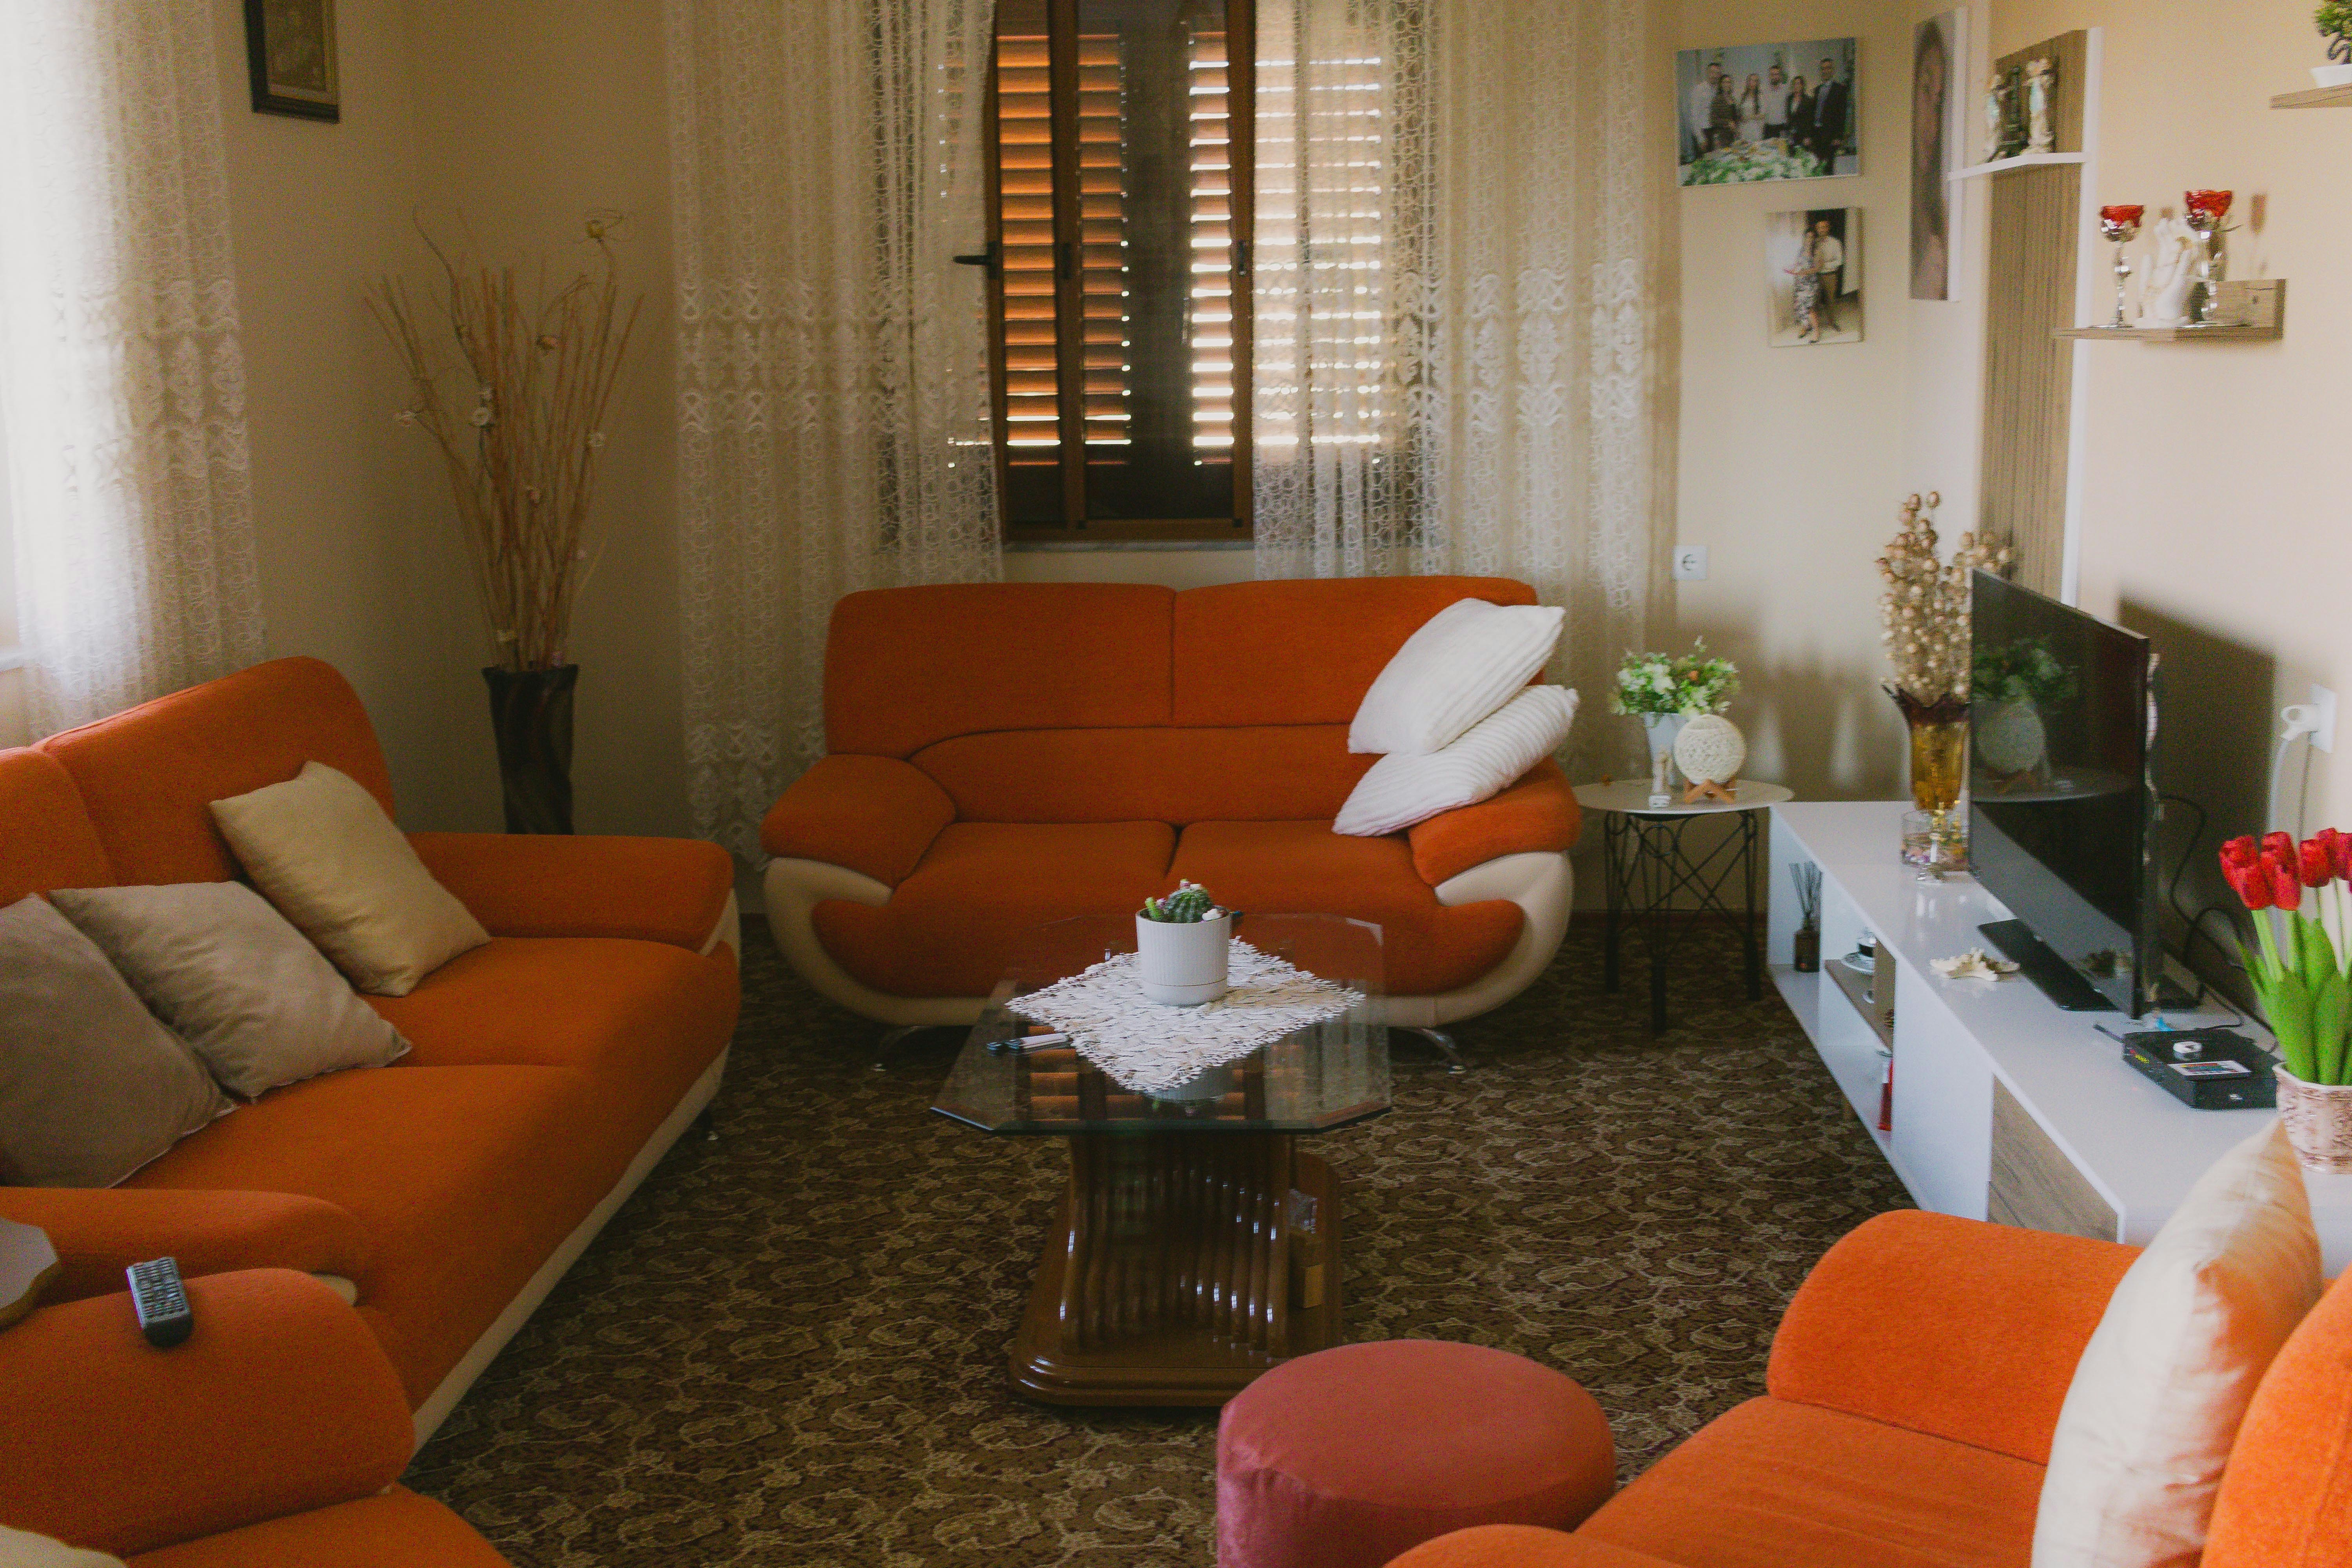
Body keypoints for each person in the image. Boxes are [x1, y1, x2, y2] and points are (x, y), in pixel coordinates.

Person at [1813, 55, 1851, 175]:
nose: (1825, 71)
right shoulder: (1817, 90)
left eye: (1828, 68)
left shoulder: (1840, 89)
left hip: (1831, 134)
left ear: (1832, 70)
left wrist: (1838, 137)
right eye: (1823, 69)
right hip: (1817, 133)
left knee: (1829, 167)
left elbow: (1842, 115)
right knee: (1818, 165)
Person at [1785, 227, 1823, 343]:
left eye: (1812, 237)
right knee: (1800, 307)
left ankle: (1817, 332)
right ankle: (1806, 327)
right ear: (1805, 238)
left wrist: (1804, 272)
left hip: (1810, 284)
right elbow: (1797, 263)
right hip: (1800, 283)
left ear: (1814, 239)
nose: (1810, 239)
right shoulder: (1801, 250)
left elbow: (1819, 268)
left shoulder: (1817, 251)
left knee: (1810, 308)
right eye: (1808, 237)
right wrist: (1792, 269)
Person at [1810, 216, 1845, 334]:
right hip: (1815, 277)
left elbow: (1840, 261)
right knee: (1815, 300)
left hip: (1830, 276)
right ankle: (1815, 324)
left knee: (1831, 300)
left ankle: (1832, 322)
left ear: (1828, 228)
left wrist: (1824, 266)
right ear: (1817, 229)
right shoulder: (1814, 243)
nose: (1822, 229)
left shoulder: (1835, 243)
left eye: (1824, 227)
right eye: (1819, 228)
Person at [1688, 60, 1724, 160]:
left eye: (1717, 73)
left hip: (1713, 131)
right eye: (1712, 72)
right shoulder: (1699, 90)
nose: (1715, 76)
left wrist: (1716, 135)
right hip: (1702, 132)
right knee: (1702, 164)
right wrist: (1700, 138)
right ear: (1707, 73)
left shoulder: (1717, 90)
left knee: (1712, 161)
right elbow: (1694, 116)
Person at [1787, 73, 1817, 163]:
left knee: (1802, 161)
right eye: (1795, 84)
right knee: (1792, 160)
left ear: (1803, 86)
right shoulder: (1790, 99)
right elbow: (1789, 116)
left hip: (1804, 136)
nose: (1797, 86)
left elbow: (1811, 120)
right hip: (1792, 136)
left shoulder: (1808, 100)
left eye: (1799, 84)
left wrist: (1809, 137)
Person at [1708, 74, 1740, 153]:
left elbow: (1735, 116)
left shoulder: (1732, 99)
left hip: (1733, 135)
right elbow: (1713, 120)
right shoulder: (1718, 100)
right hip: (1722, 137)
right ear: (1721, 85)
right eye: (1725, 82)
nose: (1727, 84)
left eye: (1729, 82)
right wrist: (1728, 123)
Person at [1762, 64, 1791, 142]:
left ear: (1780, 76)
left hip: (1782, 128)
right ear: (1770, 76)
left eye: (1777, 74)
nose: (1775, 76)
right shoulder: (1764, 91)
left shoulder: (1787, 90)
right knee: (1767, 152)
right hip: (1768, 128)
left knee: (1783, 151)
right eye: (1772, 74)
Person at [1737, 72, 1766, 145]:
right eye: (1751, 80)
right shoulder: (1742, 96)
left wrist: (1749, 117)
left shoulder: (1761, 96)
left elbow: (1763, 115)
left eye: (1756, 81)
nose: (1753, 83)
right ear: (1748, 82)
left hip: (1755, 128)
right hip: (1743, 128)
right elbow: (1739, 113)